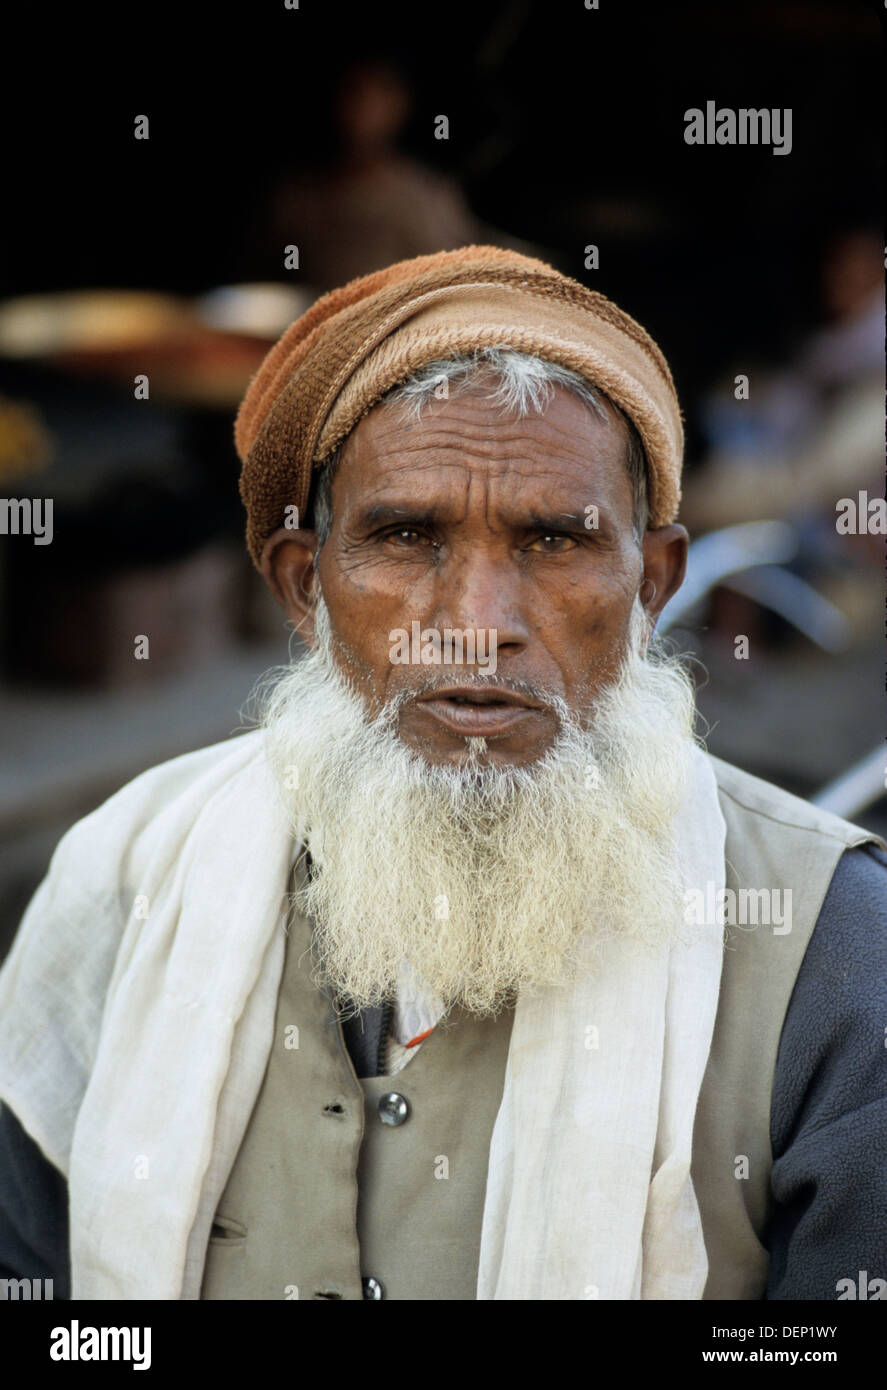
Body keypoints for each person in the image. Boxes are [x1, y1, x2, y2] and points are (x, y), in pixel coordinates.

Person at [1, 246, 885, 1301]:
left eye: (554, 540)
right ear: (302, 585)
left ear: (650, 587)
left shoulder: (834, 959)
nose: (476, 629)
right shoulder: (126, 875)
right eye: (407, 534)